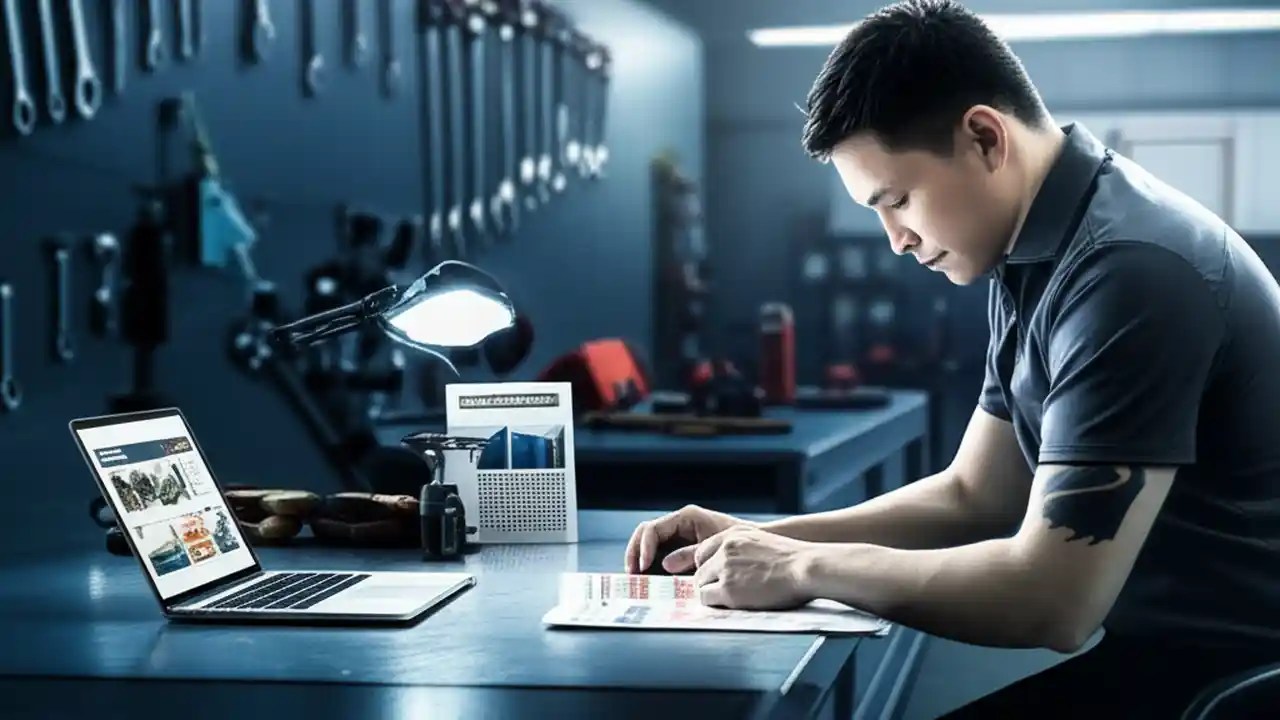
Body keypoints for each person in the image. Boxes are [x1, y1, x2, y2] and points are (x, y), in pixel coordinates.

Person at [623, 1, 1280, 716]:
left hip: (1235, 679)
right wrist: (752, 536)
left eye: (899, 200)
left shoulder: (1129, 272)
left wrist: (806, 566)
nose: (895, 240)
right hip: (1171, 654)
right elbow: (976, 495)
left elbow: (1052, 601)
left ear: (984, 138)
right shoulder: (1037, 251)